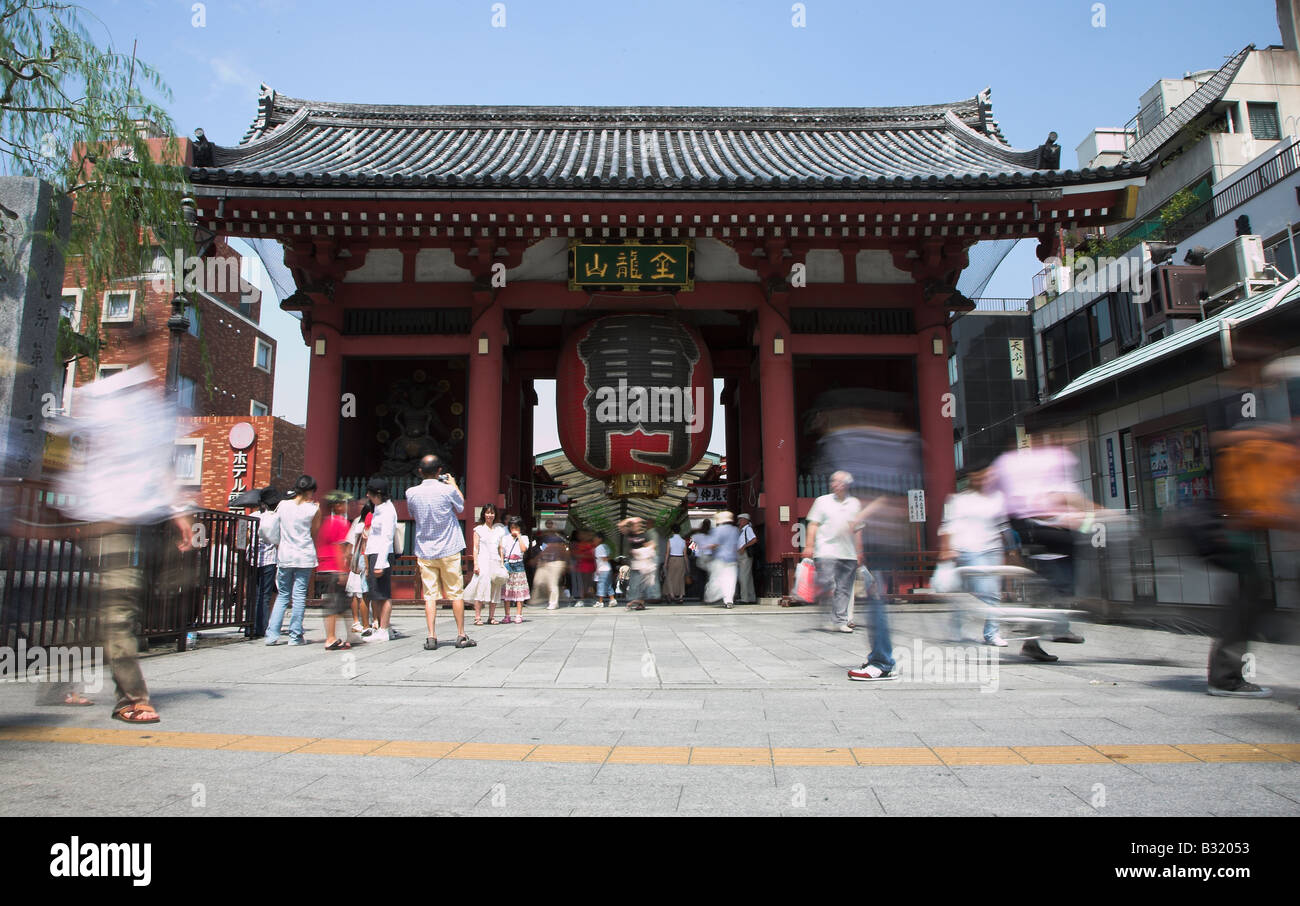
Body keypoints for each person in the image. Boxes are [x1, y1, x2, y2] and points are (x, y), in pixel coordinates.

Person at [51, 363, 194, 722]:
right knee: (119, 611)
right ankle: (130, 698)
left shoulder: (151, 407)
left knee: (104, 608)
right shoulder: (99, 397)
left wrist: (179, 511)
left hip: (139, 523)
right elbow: (64, 440)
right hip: (105, 520)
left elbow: (161, 465)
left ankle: (60, 683)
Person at [986, 436, 1093, 662]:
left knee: (1058, 585)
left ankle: (1042, 632)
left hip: (1050, 530)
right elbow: (1052, 499)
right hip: (1039, 530)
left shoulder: (1052, 463)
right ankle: (1049, 627)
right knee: (1057, 583)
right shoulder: (1033, 464)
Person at [405, 455, 475, 650]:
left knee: (430, 595)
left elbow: (412, 514)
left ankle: (431, 636)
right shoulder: (447, 490)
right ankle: (461, 635)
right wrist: (453, 484)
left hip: (425, 549)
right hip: (449, 548)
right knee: (455, 593)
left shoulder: (411, 492)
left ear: (420, 471)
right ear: (439, 471)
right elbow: (461, 506)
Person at [936, 466, 1009, 647]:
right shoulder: (959, 500)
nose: (985, 480)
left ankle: (991, 633)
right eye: (981, 476)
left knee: (992, 592)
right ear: (972, 476)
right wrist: (946, 549)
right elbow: (947, 527)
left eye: (989, 476)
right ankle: (960, 625)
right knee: (983, 590)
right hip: (968, 549)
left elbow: (1002, 526)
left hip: (992, 548)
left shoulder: (997, 498)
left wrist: (1009, 550)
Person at [266, 474, 323, 646]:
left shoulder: (283, 505)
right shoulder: (313, 509)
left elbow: (275, 527)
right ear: (310, 491)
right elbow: (314, 533)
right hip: (304, 555)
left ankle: (272, 635)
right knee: (298, 596)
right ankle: (295, 636)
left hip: (285, 555)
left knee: (283, 595)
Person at [803, 472, 862, 632]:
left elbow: (857, 529)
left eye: (839, 481)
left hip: (848, 552)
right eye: (833, 481)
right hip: (826, 550)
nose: (835, 484)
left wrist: (859, 551)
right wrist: (809, 545)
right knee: (826, 583)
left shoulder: (854, 503)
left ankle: (840, 621)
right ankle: (829, 613)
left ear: (847, 484)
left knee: (844, 588)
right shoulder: (822, 501)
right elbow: (813, 524)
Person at [363, 478, 404, 642]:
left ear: (377, 494)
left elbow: (387, 537)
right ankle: (381, 626)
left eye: (370, 492)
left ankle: (384, 629)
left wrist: (380, 563)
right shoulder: (379, 508)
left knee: (384, 593)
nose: (367, 495)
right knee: (376, 593)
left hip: (382, 554)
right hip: (375, 552)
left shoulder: (387, 510)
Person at [318, 492, 354, 650]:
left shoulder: (325, 522)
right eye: (344, 503)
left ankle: (347, 635)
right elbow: (340, 548)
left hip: (324, 566)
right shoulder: (341, 522)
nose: (347, 506)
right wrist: (342, 570)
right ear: (338, 505)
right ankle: (331, 637)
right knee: (335, 603)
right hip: (335, 567)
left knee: (338, 603)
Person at [248, 487, 282, 639]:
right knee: (265, 595)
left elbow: (244, 538)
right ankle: (260, 627)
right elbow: (277, 540)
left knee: (253, 594)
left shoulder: (252, 516)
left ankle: (249, 626)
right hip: (269, 559)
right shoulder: (275, 517)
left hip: (252, 558)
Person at [466, 503, 507, 625]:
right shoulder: (478, 529)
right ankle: (477, 617)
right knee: (481, 586)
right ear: (484, 514)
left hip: (495, 561)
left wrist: (502, 563)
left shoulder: (499, 530)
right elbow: (475, 548)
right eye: (488, 512)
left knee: (495, 587)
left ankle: (491, 617)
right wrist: (476, 564)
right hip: (483, 560)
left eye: (492, 513)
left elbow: (500, 548)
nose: (490, 515)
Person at [345, 501, 372, 637]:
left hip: (355, 560)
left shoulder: (357, 522)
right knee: (363, 592)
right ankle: (366, 622)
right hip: (363, 559)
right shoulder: (369, 523)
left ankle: (356, 621)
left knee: (355, 592)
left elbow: (350, 543)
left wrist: (348, 559)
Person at [705, 511, 740, 608]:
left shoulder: (718, 530)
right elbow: (736, 545)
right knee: (730, 580)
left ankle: (712, 596)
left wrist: (706, 547)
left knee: (717, 579)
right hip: (732, 559)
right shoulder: (735, 530)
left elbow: (714, 544)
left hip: (720, 558)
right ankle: (729, 600)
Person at [531, 519, 568, 610]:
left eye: (551, 524)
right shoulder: (543, 537)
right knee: (538, 582)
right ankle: (538, 600)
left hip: (555, 562)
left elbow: (561, 550)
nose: (549, 526)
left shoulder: (558, 538)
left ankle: (553, 603)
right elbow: (540, 548)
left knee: (552, 583)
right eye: (547, 524)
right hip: (544, 563)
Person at [499, 516, 530, 623]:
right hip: (508, 565)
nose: (514, 530)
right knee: (507, 592)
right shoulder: (505, 538)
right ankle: (507, 615)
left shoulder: (524, 538)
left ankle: (519, 614)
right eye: (512, 527)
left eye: (516, 527)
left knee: (519, 591)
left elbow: (523, 549)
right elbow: (502, 552)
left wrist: (519, 536)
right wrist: (502, 564)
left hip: (518, 565)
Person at [623, 518, 658, 610]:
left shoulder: (644, 535)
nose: (636, 526)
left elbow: (652, 546)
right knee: (635, 583)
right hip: (635, 563)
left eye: (637, 524)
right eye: (634, 524)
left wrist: (640, 552)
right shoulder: (629, 534)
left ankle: (638, 602)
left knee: (640, 583)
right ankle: (637, 602)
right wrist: (630, 519)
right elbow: (620, 526)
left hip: (643, 563)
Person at [735, 514, 758, 604]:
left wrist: (743, 547)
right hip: (741, 554)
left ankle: (744, 598)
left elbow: (754, 539)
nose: (739, 521)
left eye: (740, 519)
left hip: (745, 555)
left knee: (743, 576)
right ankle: (751, 597)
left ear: (745, 520)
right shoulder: (742, 530)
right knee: (748, 577)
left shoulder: (748, 529)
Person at [663, 526, 688, 603]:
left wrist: (665, 563)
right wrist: (687, 565)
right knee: (680, 578)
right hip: (681, 559)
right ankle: (680, 596)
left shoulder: (670, 540)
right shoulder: (683, 541)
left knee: (670, 577)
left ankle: (672, 595)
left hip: (672, 558)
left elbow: (667, 552)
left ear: (672, 531)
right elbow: (685, 554)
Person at [571, 531, 596, 606]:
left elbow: (577, 555)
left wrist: (582, 556)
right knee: (586, 583)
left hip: (586, 565)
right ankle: (584, 598)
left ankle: (583, 599)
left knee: (586, 583)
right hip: (585, 565)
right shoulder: (588, 545)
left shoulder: (587, 545)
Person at [592, 532, 615, 607]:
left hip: (603, 569)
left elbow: (604, 558)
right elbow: (608, 556)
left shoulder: (599, 548)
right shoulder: (605, 546)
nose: (594, 540)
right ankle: (612, 599)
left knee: (601, 585)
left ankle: (600, 602)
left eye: (595, 538)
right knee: (608, 585)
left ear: (600, 539)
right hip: (607, 568)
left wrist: (598, 569)